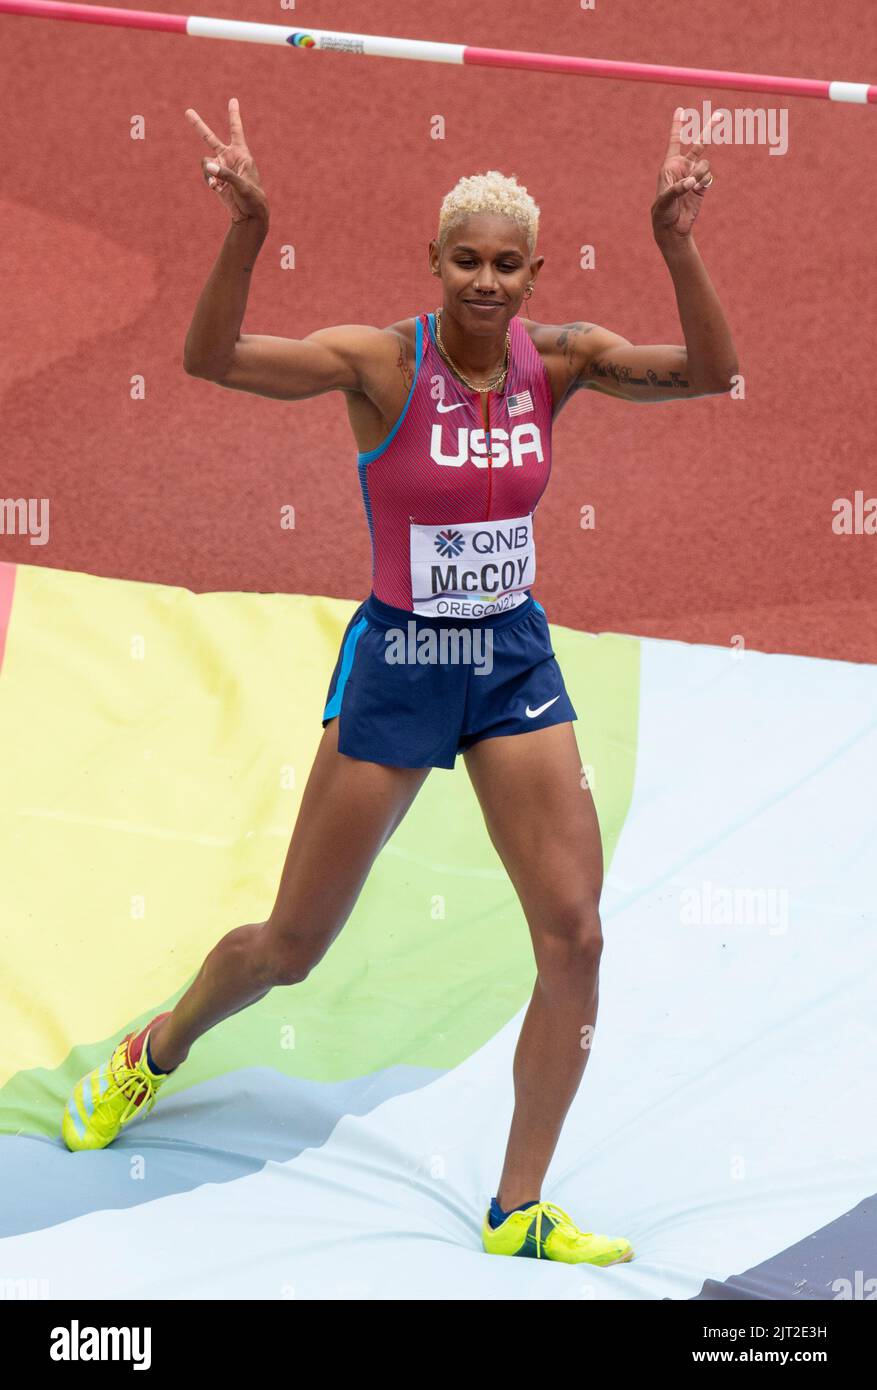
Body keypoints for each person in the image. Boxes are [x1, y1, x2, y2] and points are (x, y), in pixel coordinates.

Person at [62, 97, 736, 1266]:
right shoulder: (379, 364)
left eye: (506, 265)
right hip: (405, 662)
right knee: (290, 945)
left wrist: (676, 241)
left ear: (533, 275)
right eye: (464, 260)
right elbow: (209, 358)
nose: (485, 281)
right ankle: (156, 1050)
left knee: (573, 936)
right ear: (433, 263)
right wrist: (249, 229)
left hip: (509, 657)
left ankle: (518, 1206)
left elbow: (711, 373)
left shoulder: (559, 359)